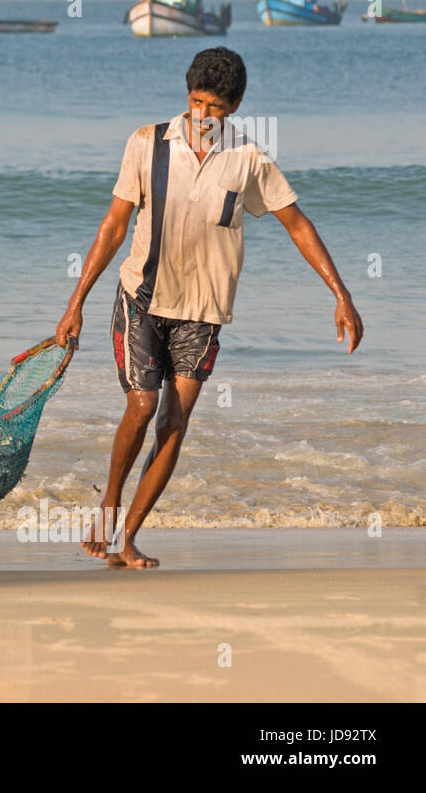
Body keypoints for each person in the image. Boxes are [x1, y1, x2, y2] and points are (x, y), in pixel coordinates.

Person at [55, 46, 363, 568]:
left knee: (174, 423)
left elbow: (298, 224)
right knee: (143, 405)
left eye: (214, 107)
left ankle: (126, 538)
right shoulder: (147, 144)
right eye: (196, 101)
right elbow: (112, 227)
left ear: (235, 106)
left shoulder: (249, 159)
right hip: (141, 299)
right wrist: (74, 303)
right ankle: (108, 506)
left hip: (203, 311)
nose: (202, 116)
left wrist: (341, 294)